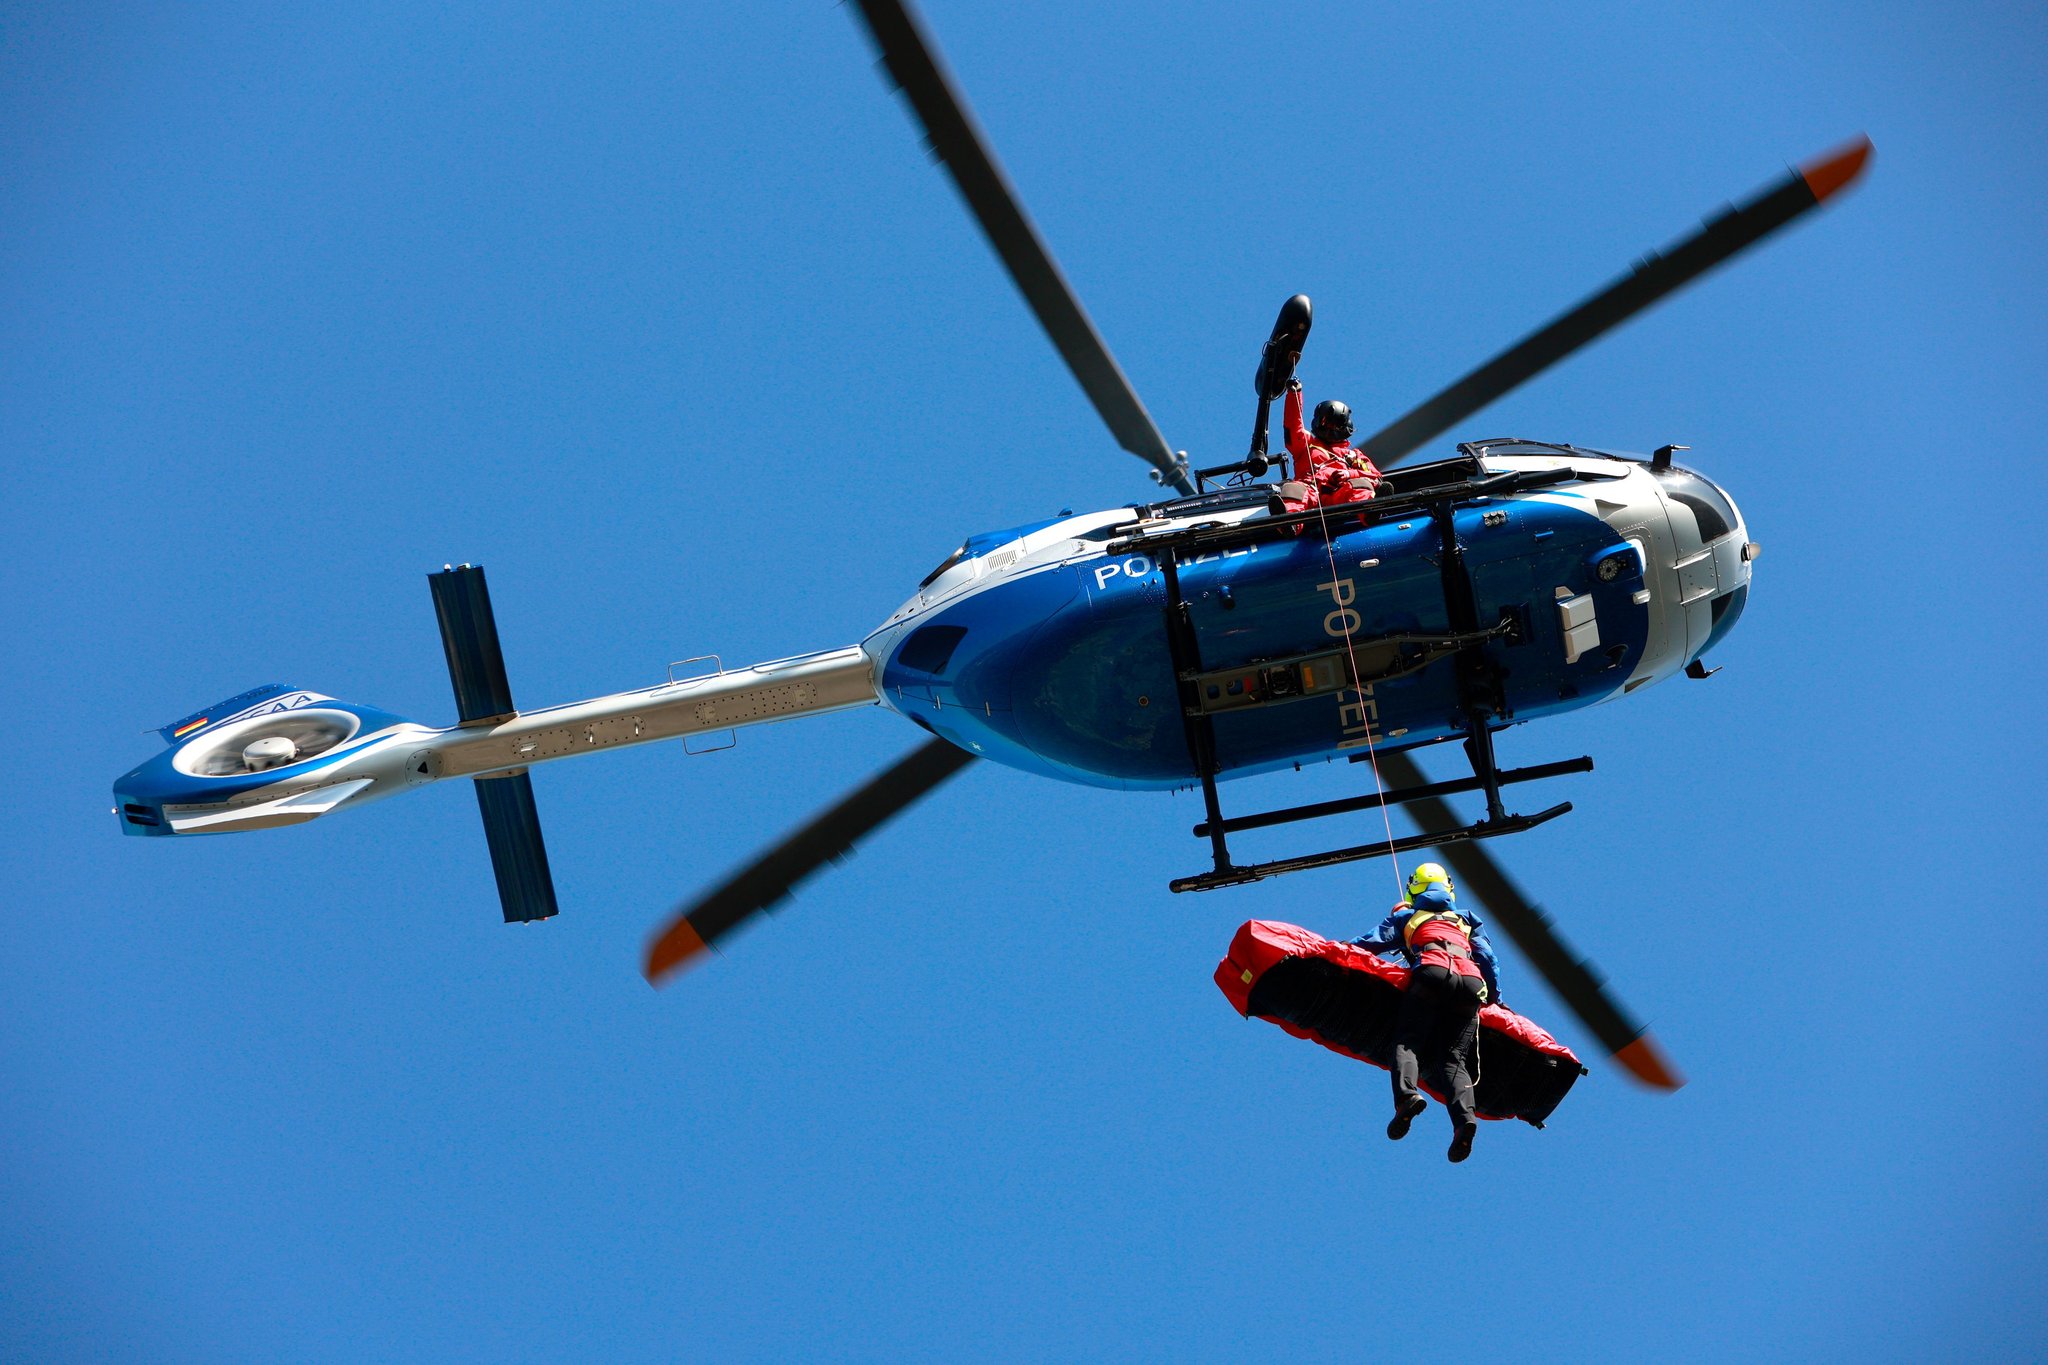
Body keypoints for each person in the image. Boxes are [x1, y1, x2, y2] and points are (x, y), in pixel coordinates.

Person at [1350, 862, 1503, 1163]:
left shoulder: (1407, 916)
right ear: (1448, 887)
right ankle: (1464, 1122)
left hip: (1431, 973)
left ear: (1413, 887)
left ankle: (1407, 1098)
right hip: (1471, 984)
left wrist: (1334, 950)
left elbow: (1368, 944)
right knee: (1453, 1061)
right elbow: (1488, 958)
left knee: (1407, 1044)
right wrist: (1495, 998)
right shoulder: (1466, 919)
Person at [1277, 375, 1383, 514]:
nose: (1332, 428)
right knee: (1292, 489)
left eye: (1336, 425)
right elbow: (1293, 426)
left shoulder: (1353, 455)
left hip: (1340, 492)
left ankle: (1369, 513)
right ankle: (1289, 523)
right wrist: (1294, 394)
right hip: (1311, 490)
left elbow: (1375, 477)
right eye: (1328, 423)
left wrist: (1348, 473)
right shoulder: (1307, 444)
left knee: (1361, 484)